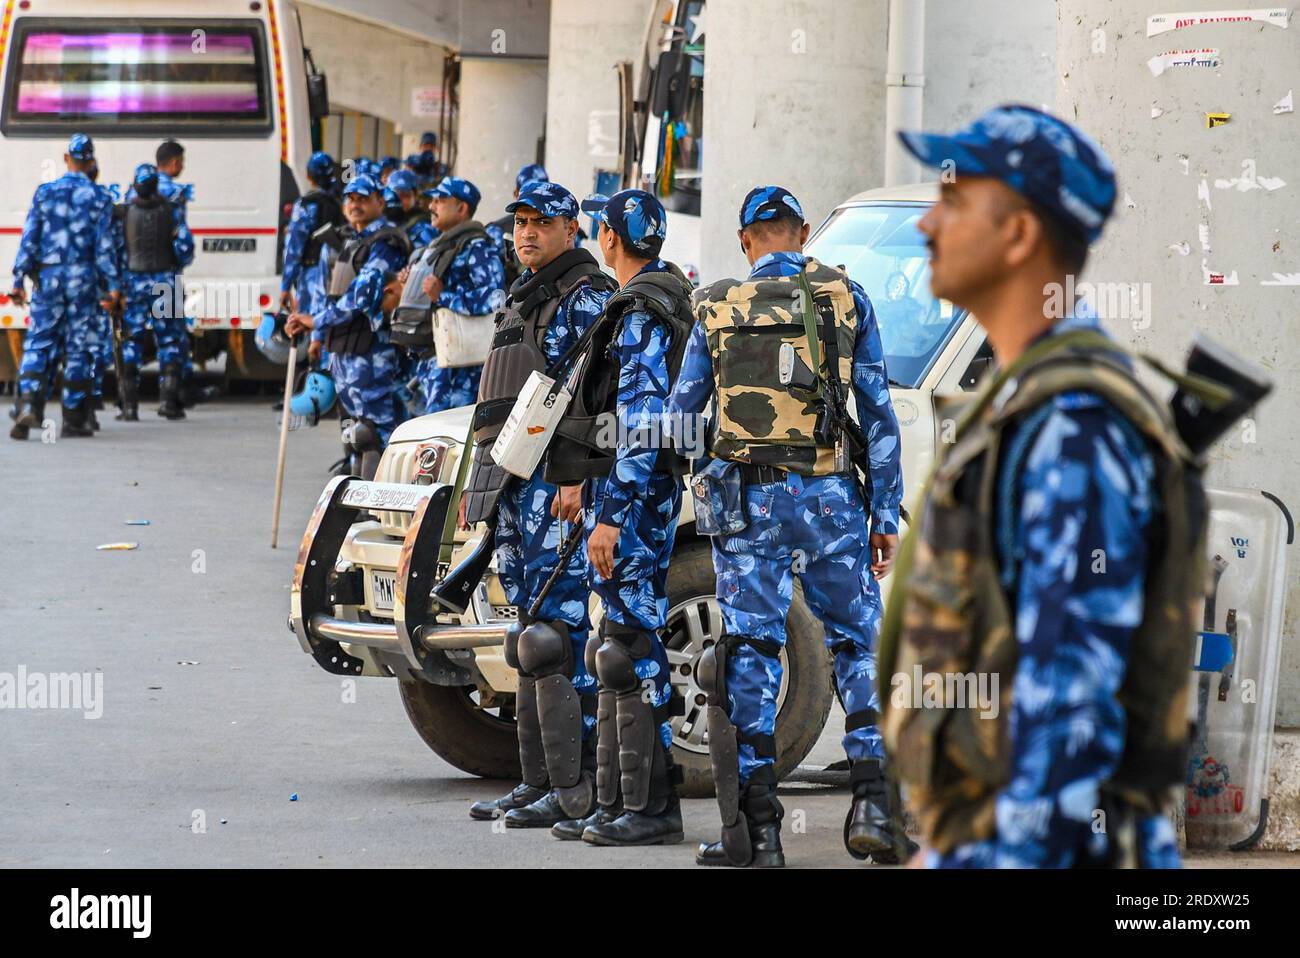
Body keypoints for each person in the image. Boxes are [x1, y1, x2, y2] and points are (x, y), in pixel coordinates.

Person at [879, 104, 1198, 870]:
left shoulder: (1074, 426)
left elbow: (1068, 737)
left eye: (953, 200)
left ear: (1020, 235)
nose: (928, 224)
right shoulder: (1025, 404)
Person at [666, 186, 907, 867]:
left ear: (746, 241)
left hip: (748, 508)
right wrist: (883, 512)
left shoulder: (714, 305)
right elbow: (879, 413)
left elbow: (683, 417)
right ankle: (875, 807)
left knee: (752, 652)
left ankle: (760, 834)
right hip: (830, 500)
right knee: (858, 642)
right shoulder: (846, 296)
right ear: (802, 233)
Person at [461, 180, 617, 827]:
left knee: (559, 638)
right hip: (517, 487)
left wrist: (578, 480)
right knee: (527, 634)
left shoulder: (587, 297)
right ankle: (535, 782)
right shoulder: (529, 294)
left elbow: (595, 397)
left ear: (570, 228)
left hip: (558, 490)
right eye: (519, 221)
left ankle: (575, 788)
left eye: (540, 222)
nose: (525, 232)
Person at [544, 189, 696, 846]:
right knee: (617, 645)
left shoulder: (641, 315)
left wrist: (612, 516)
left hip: (634, 496)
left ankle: (652, 806)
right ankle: (619, 799)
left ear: (609, 237)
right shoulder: (655, 299)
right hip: (625, 490)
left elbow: (642, 425)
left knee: (632, 646)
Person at [284, 174, 411, 479]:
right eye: (351, 199)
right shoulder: (351, 241)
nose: (355, 205)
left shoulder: (386, 243)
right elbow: (331, 293)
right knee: (355, 430)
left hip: (372, 351)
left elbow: (360, 296)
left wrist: (318, 321)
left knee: (374, 432)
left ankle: (376, 506)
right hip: (343, 348)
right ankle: (358, 503)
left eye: (363, 199)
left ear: (380, 202)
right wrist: (315, 331)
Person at [9, 134, 120, 439]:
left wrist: (18, 279)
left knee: (39, 341)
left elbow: (29, 238)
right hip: (83, 281)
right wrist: (112, 286)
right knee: (78, 348)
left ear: (66, 158)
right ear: (91, 162)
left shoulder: (45, 193)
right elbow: (105, 248)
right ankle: (74, 418)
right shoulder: (100, 198)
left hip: (49, 279)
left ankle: (29, 403)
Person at [412, 176, 503, 413]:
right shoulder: (442, 246)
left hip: (460, 369)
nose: (432, 206)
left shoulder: (477, 246)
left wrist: (443, 296)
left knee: (444, 437)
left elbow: (495, 297)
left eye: (440, 200)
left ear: (462, 208)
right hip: (438, 358)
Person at [115, 163, 196, 421]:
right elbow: (186, 249)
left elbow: (116, 250)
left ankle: (129, 408)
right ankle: (169, 403)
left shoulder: (124, 212)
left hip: (133, 282)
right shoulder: (172, 211)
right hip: (165, 281)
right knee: (170, 342)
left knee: (131, 342)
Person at [280, 152, 344, 318]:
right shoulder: (341, 204)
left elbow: (294, 249)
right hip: (338, 272)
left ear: (309, 176)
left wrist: (285, 286)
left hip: (312, 275)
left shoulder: (306, 205)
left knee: (309, 322)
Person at [486, 163, 548, 287]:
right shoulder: (497, 231)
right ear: (516, 194)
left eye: (539, 192)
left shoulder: (561, 227)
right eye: (528, 192)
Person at [386, 169, 438, 248]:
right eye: (394, 195)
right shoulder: (384, 218)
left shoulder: (423, 226)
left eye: (405, 195)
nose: (399, 200)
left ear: (415, 196)